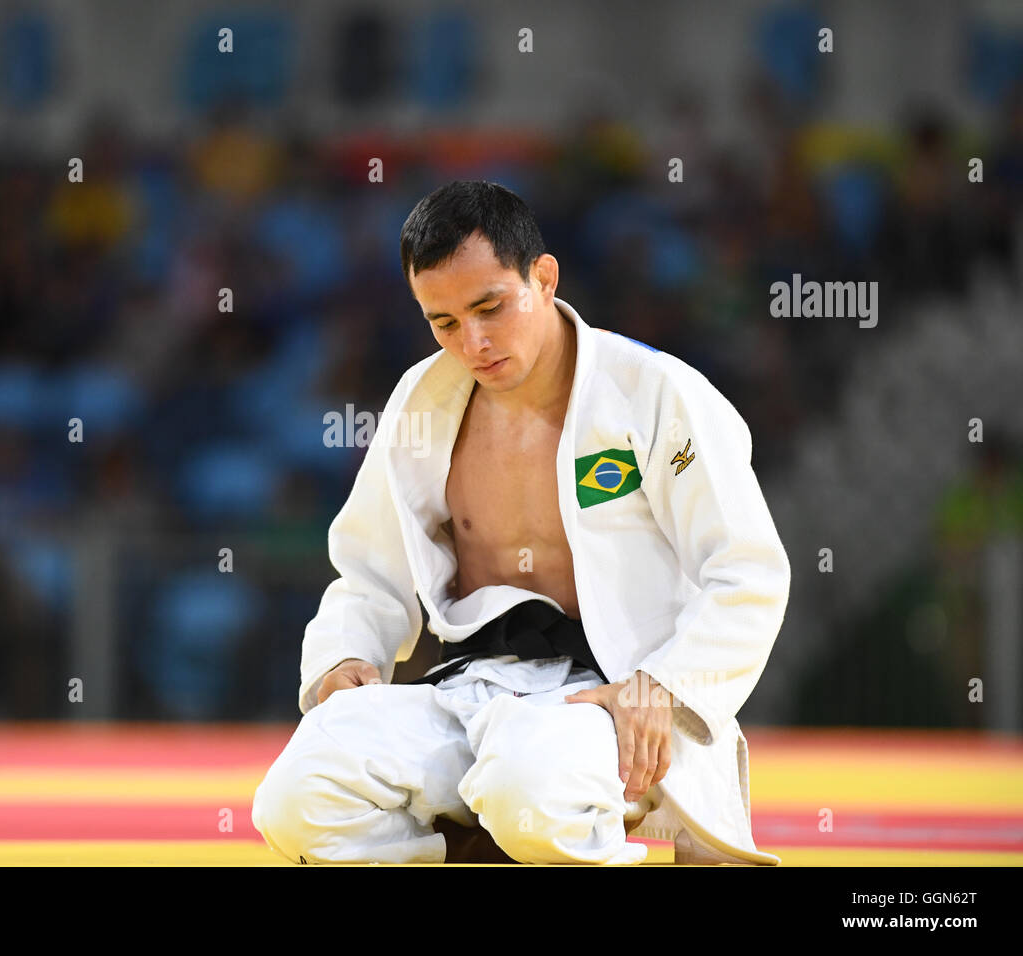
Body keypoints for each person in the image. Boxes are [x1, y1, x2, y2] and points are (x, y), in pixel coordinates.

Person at [251, 181, 791, 864]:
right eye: (443, 323)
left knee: (529, 791)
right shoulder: (422, 402)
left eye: (489, 307)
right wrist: (347, 656)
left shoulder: (655, 393)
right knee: (297, 797)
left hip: (611, 695)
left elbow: (746, 571)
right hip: (468, 688)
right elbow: (368, 571)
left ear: (543, 276)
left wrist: (668, 685)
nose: (472, 341)